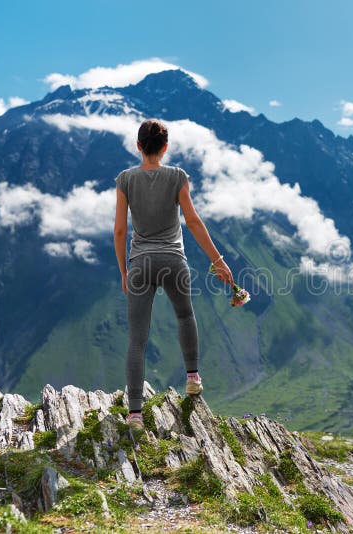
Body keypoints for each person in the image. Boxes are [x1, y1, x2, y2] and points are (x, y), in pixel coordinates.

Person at [113, 118, 234, 430]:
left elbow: (120, 230)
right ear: (165, 148)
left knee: (137, 339)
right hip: (173, 260)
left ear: (138, 146)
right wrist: (218, 260)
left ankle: (135, 414)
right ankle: (192, 378)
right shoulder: (178, 176)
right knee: (184, 316)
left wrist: (125, 271)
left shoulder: (125, 179)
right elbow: (192, 221)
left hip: (140, 263)